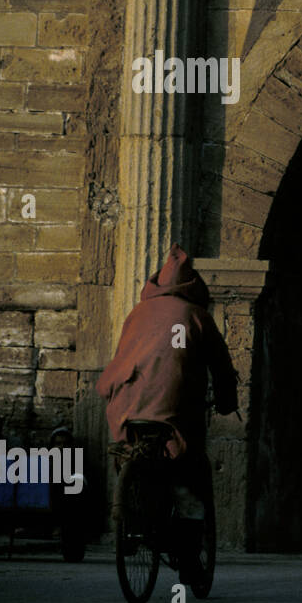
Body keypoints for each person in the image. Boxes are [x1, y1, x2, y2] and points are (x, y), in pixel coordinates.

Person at [96, 244, 238, 585]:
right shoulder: (196, 316)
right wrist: (225, 400)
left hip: (126, 401)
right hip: (173, 406)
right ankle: (189, 557)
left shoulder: (138, 313)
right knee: (189, 476)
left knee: (133, 450)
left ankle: (133, 518)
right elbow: (220, 366)